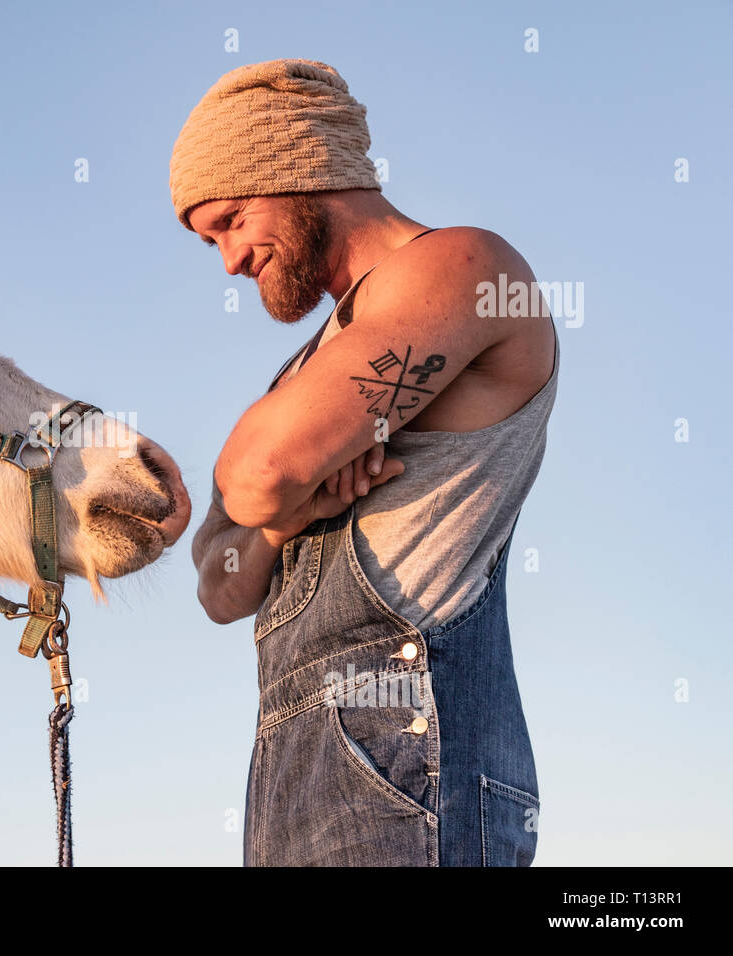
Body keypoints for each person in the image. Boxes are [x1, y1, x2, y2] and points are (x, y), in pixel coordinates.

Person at [174, 58, 558, 866]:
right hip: (294, 771)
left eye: (234, 221)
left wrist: (273, 490)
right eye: (211, 240)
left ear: (300, 169)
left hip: (414, 760)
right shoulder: (303, 371)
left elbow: (256, 473)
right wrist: (284, 521)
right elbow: (218, 583)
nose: (229, 262)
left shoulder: (465, 268)